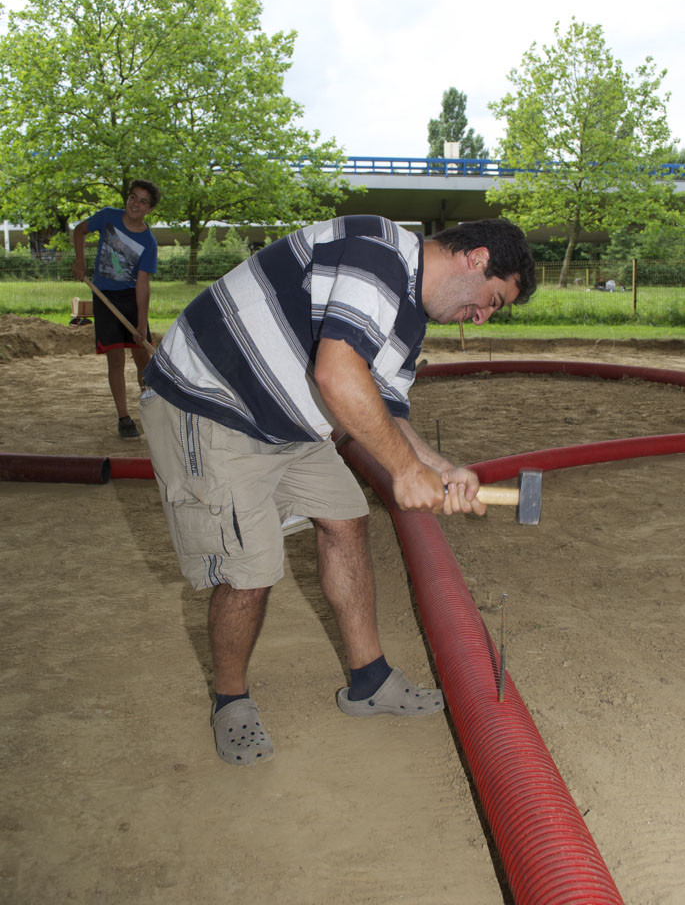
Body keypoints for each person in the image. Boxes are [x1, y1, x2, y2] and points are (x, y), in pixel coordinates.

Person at [140, 214, 536, 766]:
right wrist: (405, 471)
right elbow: (337, 375)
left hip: (288, 419)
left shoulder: (410, 316)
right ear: (476, 259)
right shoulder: (378, 252)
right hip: (212, 403)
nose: (484, 317)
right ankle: (231, 701)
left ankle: (369, 681)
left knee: (346, 518)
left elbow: (385, 408)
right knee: (251, 569)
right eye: (492, 301)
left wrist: (441, 468)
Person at [72, 180, 161, 438]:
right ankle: (124, 418)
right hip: (104, 297)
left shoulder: (148, 242)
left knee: (142, 356)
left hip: (131, 298)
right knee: (116, 358)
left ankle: (151, 409)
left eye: (143, 201)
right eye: (133, 197)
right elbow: (79, 231)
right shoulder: (108, 217)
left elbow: (142, 284)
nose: (135, 204)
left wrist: (141, 324)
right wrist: (80, 261)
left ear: (149, 209)